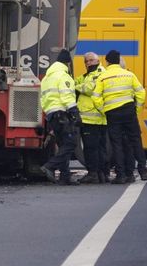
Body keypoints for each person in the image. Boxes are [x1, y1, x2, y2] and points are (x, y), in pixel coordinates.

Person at [94, 49, 147, 184]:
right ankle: (143, 171)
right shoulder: (129, 75)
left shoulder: (103, 77)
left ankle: (121, 175)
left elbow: (96, 98)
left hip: (112, 114)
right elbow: (141, 92)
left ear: (107, 62)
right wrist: (136, 109)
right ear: (119, 61)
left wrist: (104, 111)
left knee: (117, 144)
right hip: (129, 111)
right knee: (135, 141)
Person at [40, 49, 80, 185]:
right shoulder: (63, 76)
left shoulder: (47, 77)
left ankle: (65, 177)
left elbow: (43, 98)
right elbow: (66, 95)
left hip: (51, 115)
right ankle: (49, 166)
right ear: (68, 63)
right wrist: (74, 112)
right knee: (71, 143)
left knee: (63, 145)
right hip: (62, 114)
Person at [75, 51, 109, 184]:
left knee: (91, 148)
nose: (88, 63)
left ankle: (93, 174)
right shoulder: (90, 74)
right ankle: (102, 174)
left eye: (91, 60)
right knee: (100, 148)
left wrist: (75, 87)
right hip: (96, 118)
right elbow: (80, 80)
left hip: (92, 118)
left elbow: (89, 88)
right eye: (86, 61)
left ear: (97, 60)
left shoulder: (99, 73)